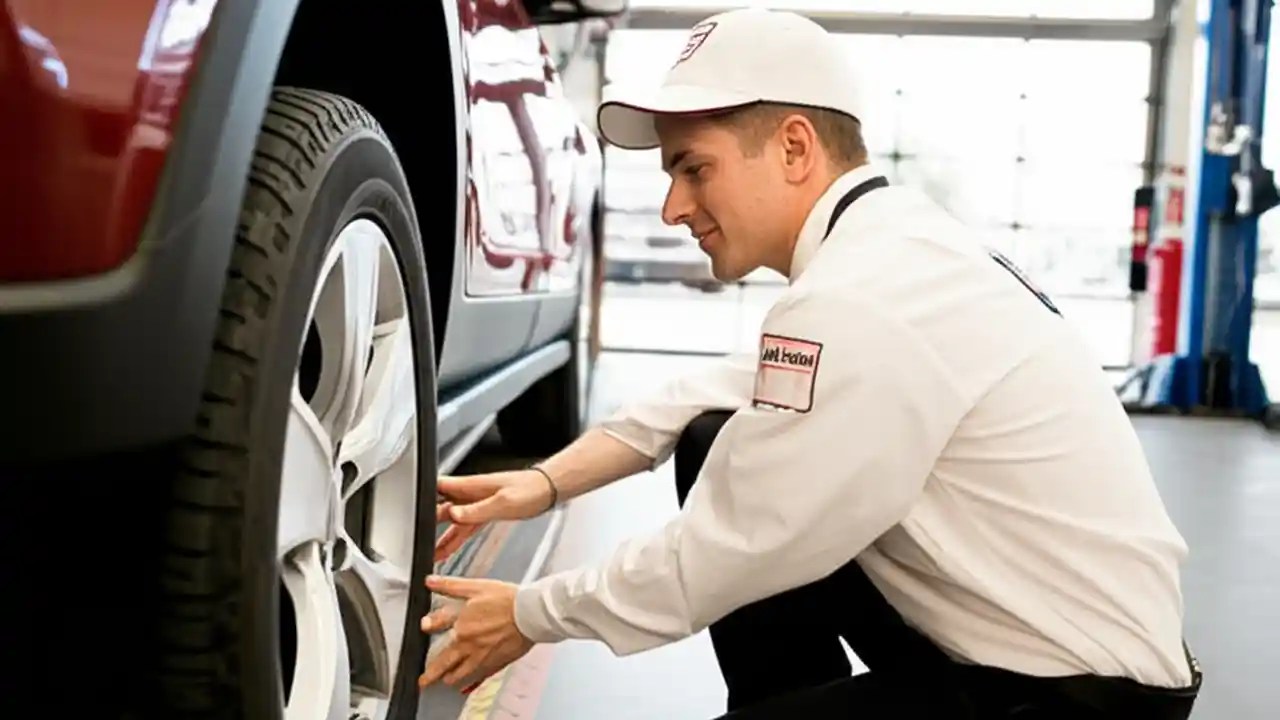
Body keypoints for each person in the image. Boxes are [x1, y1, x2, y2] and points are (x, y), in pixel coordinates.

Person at [417, 8, 1202, 718]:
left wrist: (528, 613)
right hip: (1012, 634)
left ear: (794, 147)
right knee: (711, 436)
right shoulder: (890, 245)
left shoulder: (866, 295)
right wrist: (547, 482)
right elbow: (704, 394)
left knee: (750, 497)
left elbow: (733, 545)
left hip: (1075, 701)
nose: (674, 208)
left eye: (694, 169)